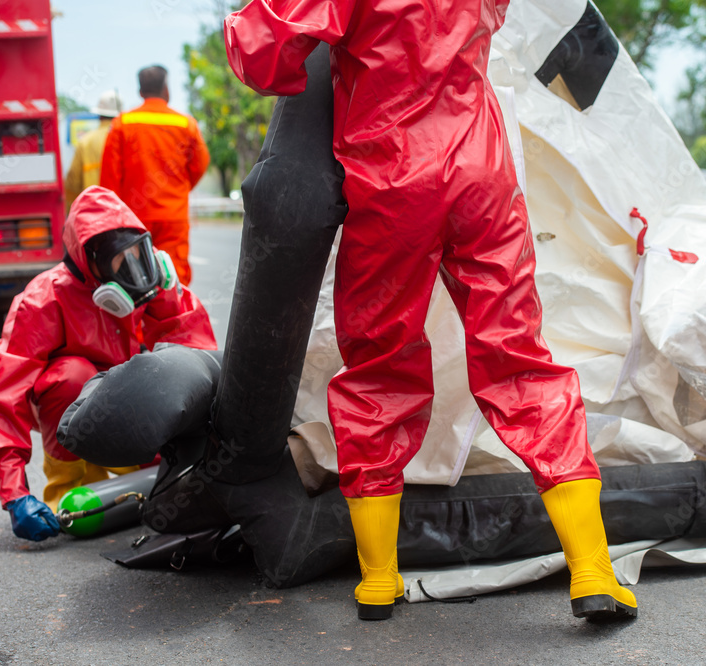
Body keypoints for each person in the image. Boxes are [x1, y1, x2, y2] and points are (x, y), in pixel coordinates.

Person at [223, 0, 638, 621]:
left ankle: (378, 579)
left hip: (393, 181)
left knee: (378, 366)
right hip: (483, 175)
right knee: (520, 361)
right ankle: (592, 569)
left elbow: (262, 52)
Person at [0, 186, 217, 542]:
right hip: (76, 412)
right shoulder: (43, 301)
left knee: (166, 370)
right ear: (92, 264)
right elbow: (4, 401)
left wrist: (204, 442)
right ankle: (68, 485)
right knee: (71, 376)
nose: (134, 270)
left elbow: (196, 357)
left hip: (133, 409)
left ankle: (151, 476)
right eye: (121, 261)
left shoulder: (151, 279)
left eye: (138, 255)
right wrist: (15, 494)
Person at [100, 65, 210, 285]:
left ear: (140, 91)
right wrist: (178, 190)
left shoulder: (122, 124)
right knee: (174, 278)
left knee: (134, 279)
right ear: (166, 89)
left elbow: (109, 179)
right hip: (172, 215)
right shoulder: (186, 124)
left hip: (133, 218)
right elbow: (199, 165)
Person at [64, 90, 122, 213]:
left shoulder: (85, 141)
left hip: (94, 211)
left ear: (99, 115)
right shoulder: (125, 139)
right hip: (122, 211)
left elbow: (73, 182)